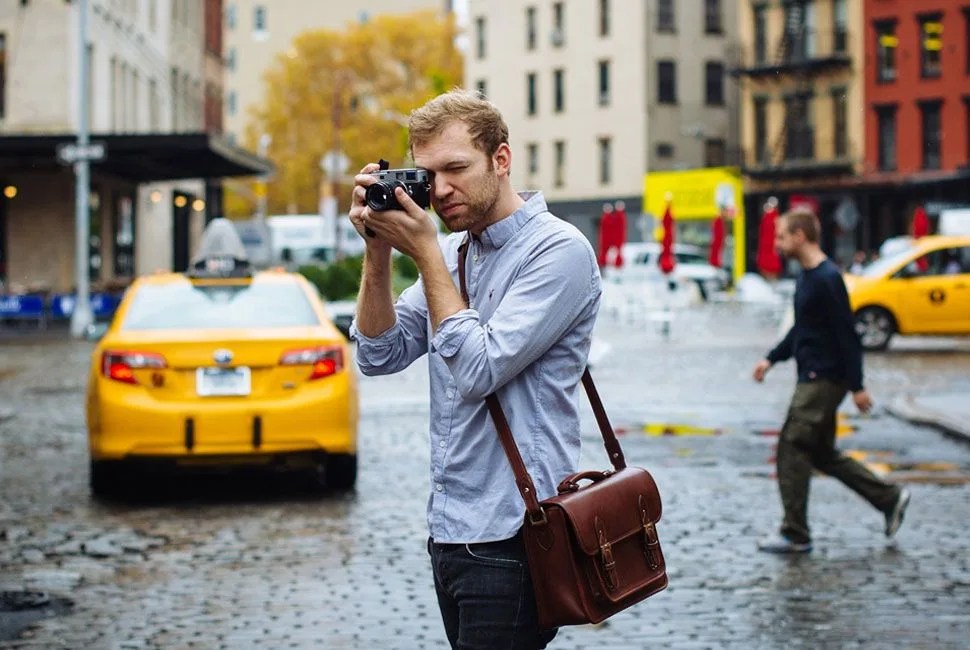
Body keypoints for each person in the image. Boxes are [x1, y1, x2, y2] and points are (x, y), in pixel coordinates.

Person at [348, 90, 601, 648]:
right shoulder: (461, 252)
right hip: (451, 531)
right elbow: (378, 353)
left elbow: (479, 368)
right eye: (429, 173)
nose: (439, 190)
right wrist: (378, 248)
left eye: (456, 168)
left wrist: (428, 255)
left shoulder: (558, 251)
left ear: (501, 160)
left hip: (515, 534)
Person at [751, 208, 910, 554]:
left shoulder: (826, 278)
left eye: (781, 236)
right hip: (813, 374)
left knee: (791, 446)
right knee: (820, 454)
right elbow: (801, 330)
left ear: (799, 236)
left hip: (823, 379)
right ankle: (890, 498)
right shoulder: (807, 277)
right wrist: (771, 358)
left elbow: (846, 333)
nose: (776, 244)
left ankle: (795, 533)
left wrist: (857, 385)